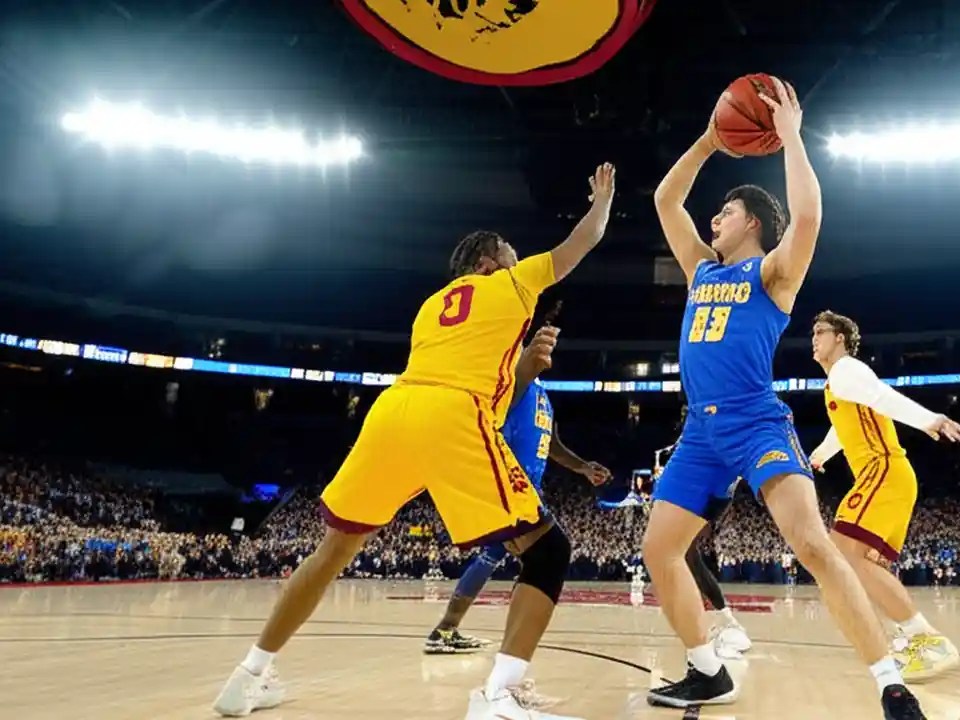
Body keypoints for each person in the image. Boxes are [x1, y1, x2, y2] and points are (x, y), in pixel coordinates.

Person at [212, 163, 618, 720]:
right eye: (507, 250)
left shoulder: (430, 309)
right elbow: (583, 242)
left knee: (333, 551)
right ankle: (498, 698)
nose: (516, 256)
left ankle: (248, 675)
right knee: (548, 552)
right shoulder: (514, 282)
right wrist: (600, 202)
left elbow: (487, 391)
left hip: (393, 410)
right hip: (450, 413)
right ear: (485, 264)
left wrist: (520, 365)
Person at [643, 77, 925, 718]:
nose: (713, 220)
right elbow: (666, 198)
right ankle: (707, 669)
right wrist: (712, 141)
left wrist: (792, 137)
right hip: (699, 433)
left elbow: (808, 218)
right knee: (660, 551)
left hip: (754, 420)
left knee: (814, 544)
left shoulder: (772, 274)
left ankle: (890, 683)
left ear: (753, 224)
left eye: (725, 213)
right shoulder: (700, 269)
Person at [807, 310, 960, 681]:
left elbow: (882, 397)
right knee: (862, 564)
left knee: (845, 556)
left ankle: (924, 637)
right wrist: (820, 455)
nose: (813, 339)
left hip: (883, 470)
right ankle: (914, 636)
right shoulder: (837, 382)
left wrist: (931, 419)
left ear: (841, 338)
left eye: (820, 332)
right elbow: (843, 429)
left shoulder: (848, 369)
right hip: (886, 476)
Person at [424, 366, 612, 658]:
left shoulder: (541, 395)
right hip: (510, 482)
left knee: (507, 556)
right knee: (540, 556)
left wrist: (583, 467)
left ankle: (450, 630)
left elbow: (553, 445)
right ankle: (462, 635)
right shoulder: (509, 383)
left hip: (527, 489)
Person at [655, 441, 752, 655]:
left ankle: (725, 620)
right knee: (684, 553)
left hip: (710, 490)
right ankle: (720, 619)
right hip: (711, 489)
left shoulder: (720, 428)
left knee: (682, 552)